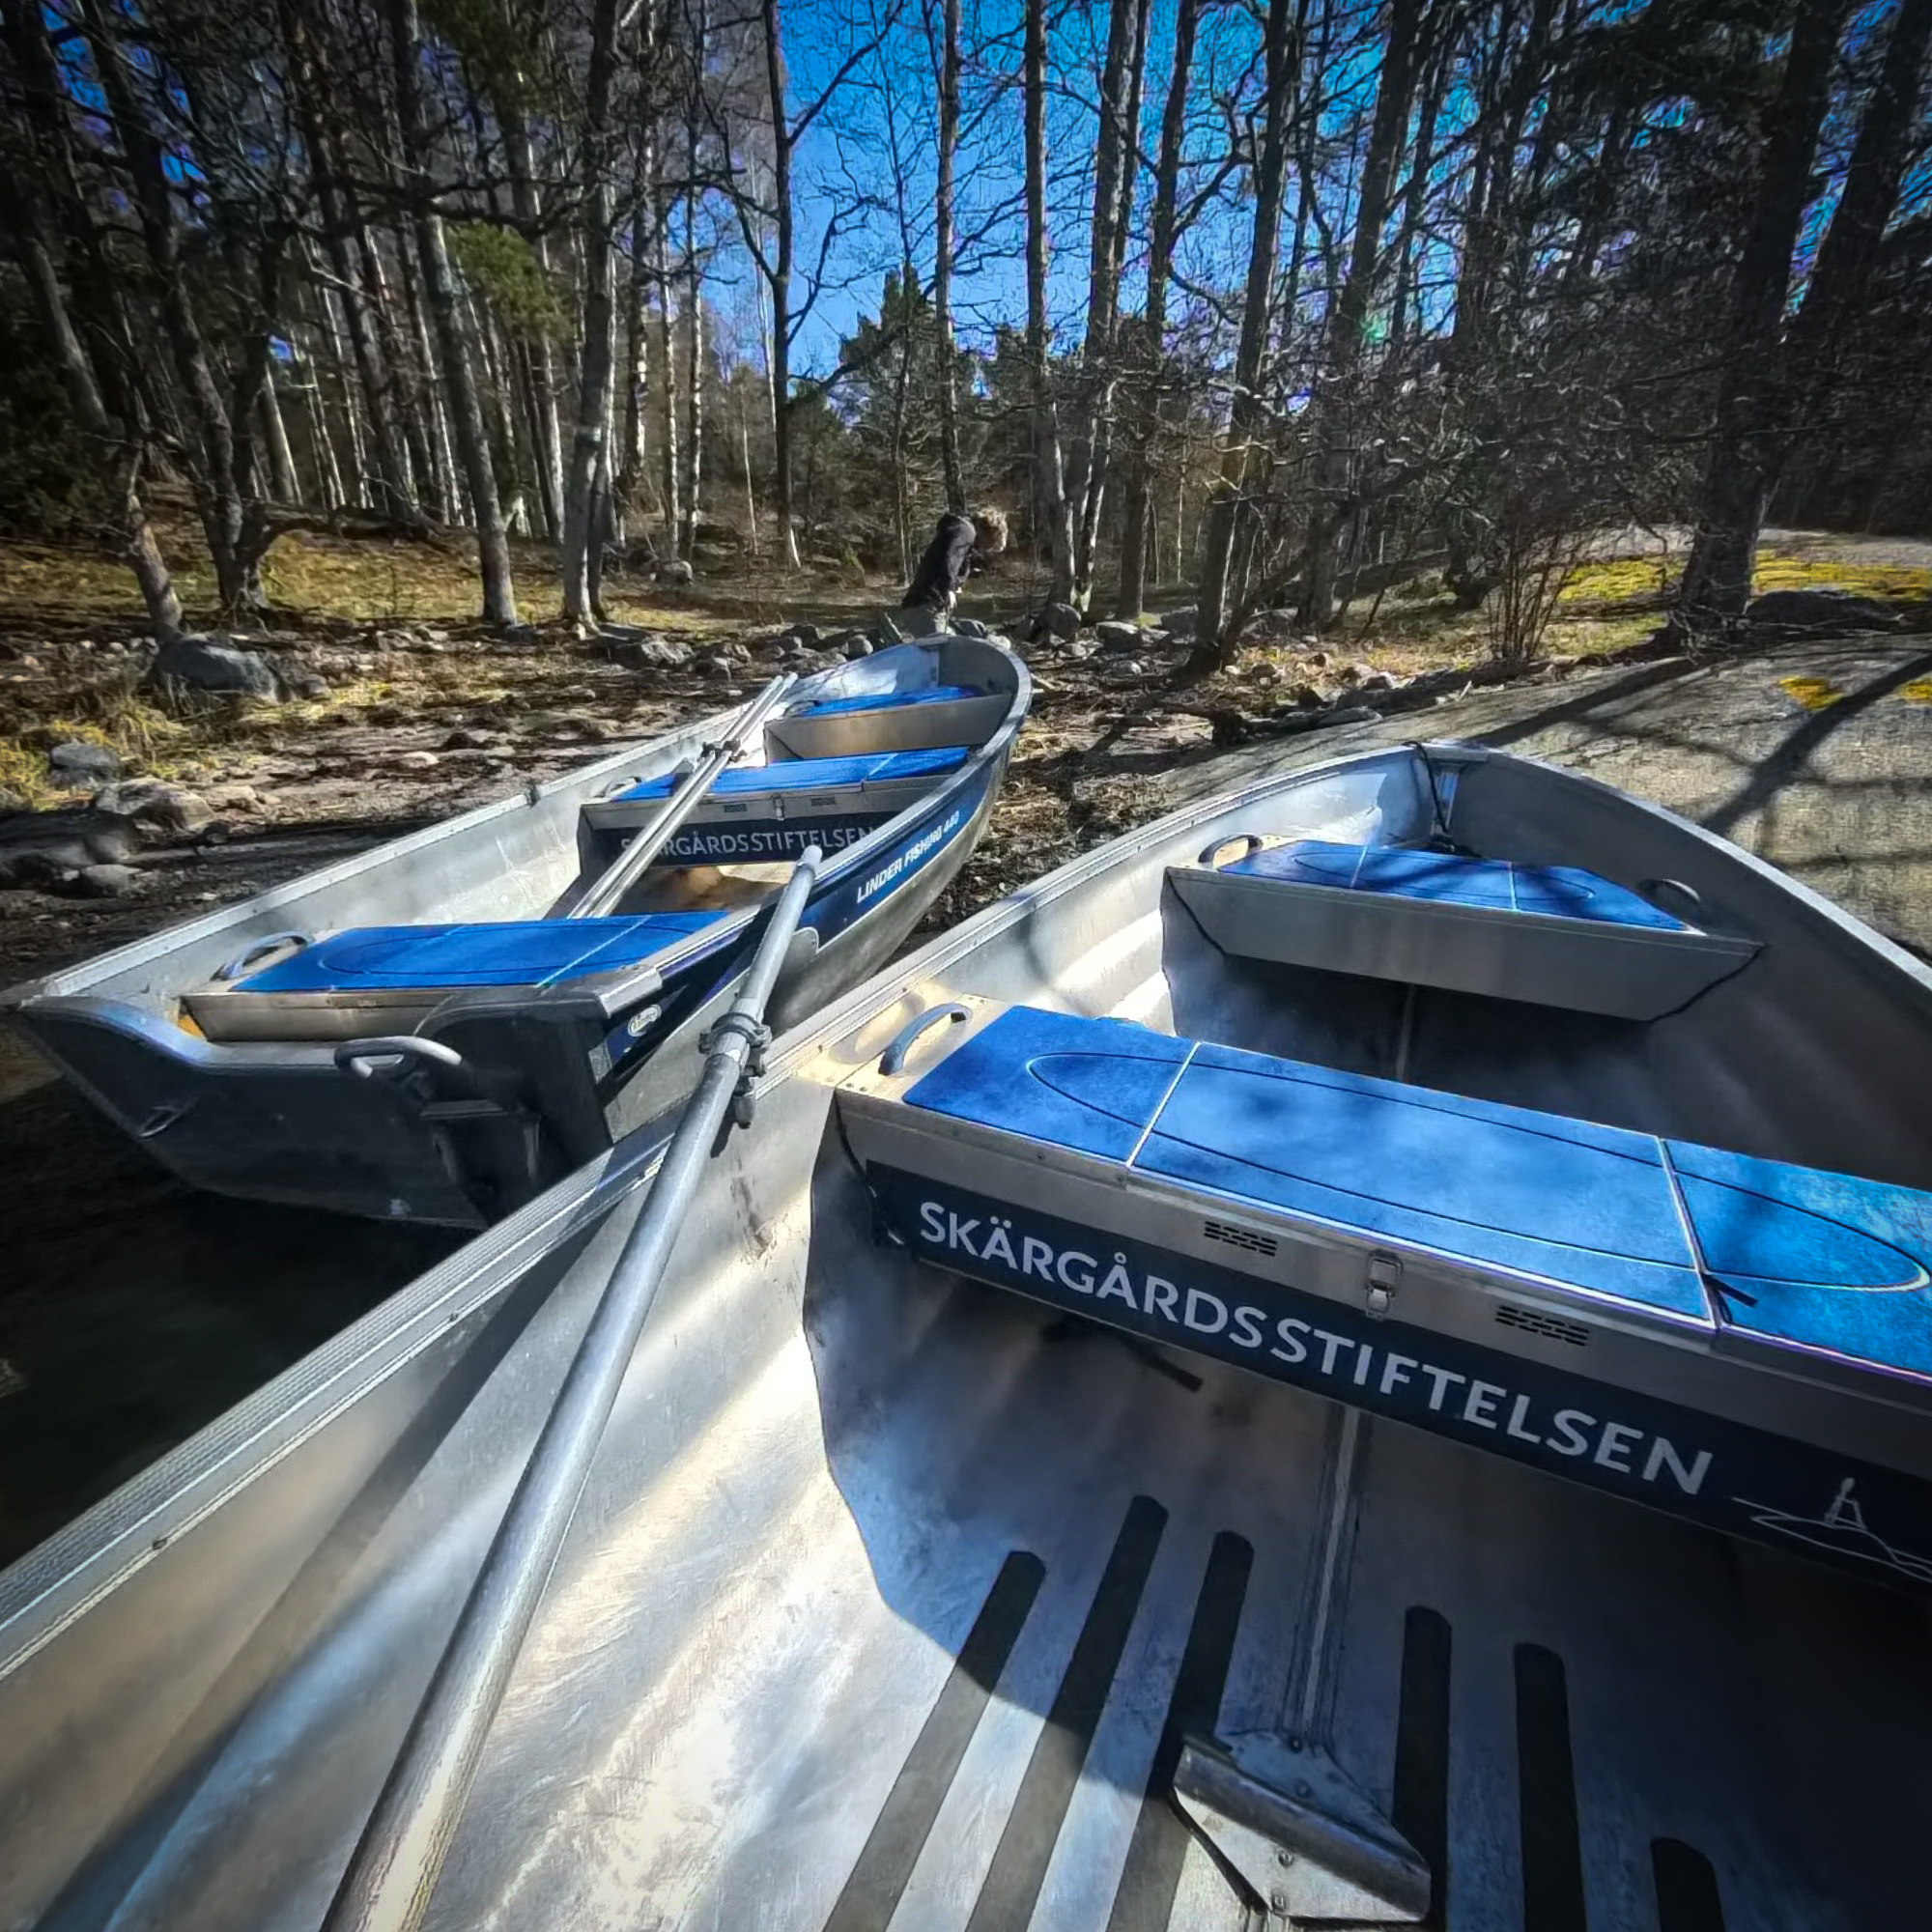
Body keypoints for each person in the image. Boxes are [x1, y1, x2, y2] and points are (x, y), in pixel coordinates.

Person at [902, 508, 1009, 619]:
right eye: (990, 546)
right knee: (938, 636)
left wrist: (958, 583)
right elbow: (951, 557)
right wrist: (949, 588)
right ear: (988, 533)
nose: (985, 550)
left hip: (926, 603)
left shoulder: (965, 533)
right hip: (925, 604)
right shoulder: (966, 532)